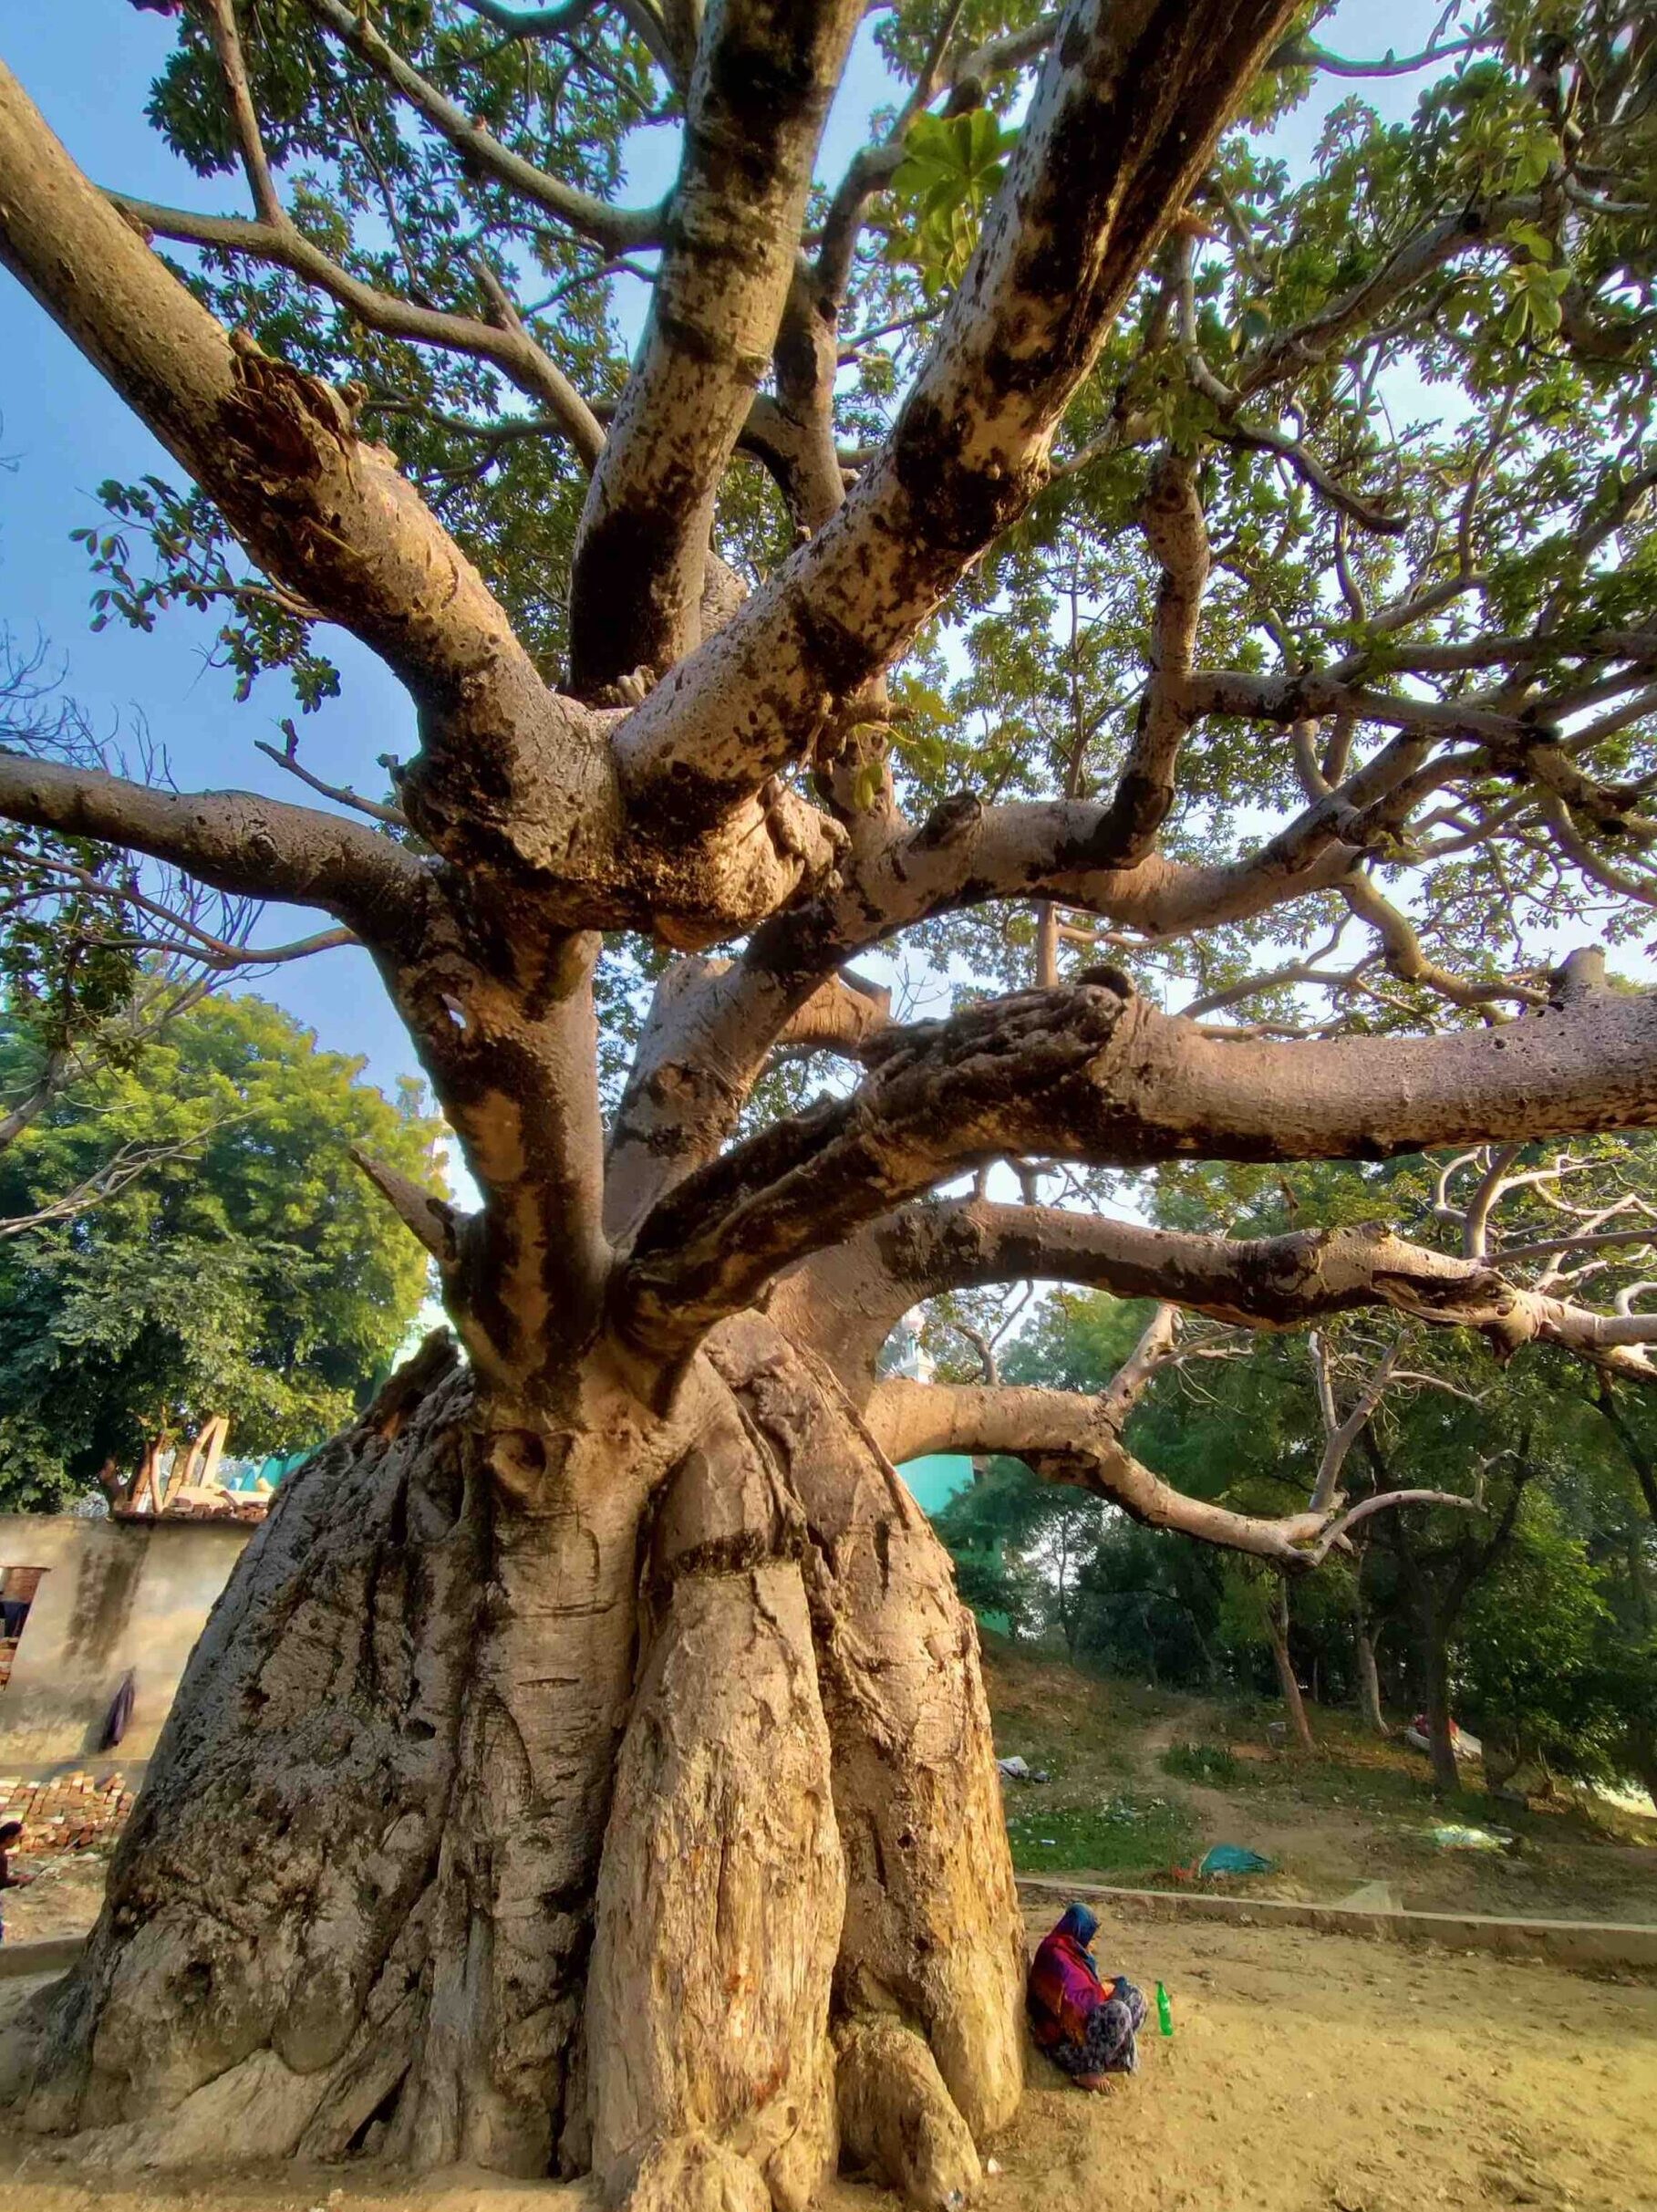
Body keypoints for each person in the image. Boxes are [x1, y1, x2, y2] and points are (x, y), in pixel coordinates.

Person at [1027, 1902, 1146, 2088]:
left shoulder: (1073, 1951)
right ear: (1079, 1930)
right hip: (1065, 2043)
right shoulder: (1055, 1954)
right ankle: (1089, 2070)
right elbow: (1076, 2004)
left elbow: (1085, 1989)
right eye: (1091, 1936)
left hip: (1084, 2030)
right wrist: (1104, 1990)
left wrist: (1106, 1989)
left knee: (1136, 1997)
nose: (1093, 1943)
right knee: (1118, 2012)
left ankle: (1108, 2057)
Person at [0, 1819, 33, 1945]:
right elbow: (1, 1883)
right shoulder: (1, 1858)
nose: (18, 1841)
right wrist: (19, 1880)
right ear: (9, 1838)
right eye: (17, 1837)